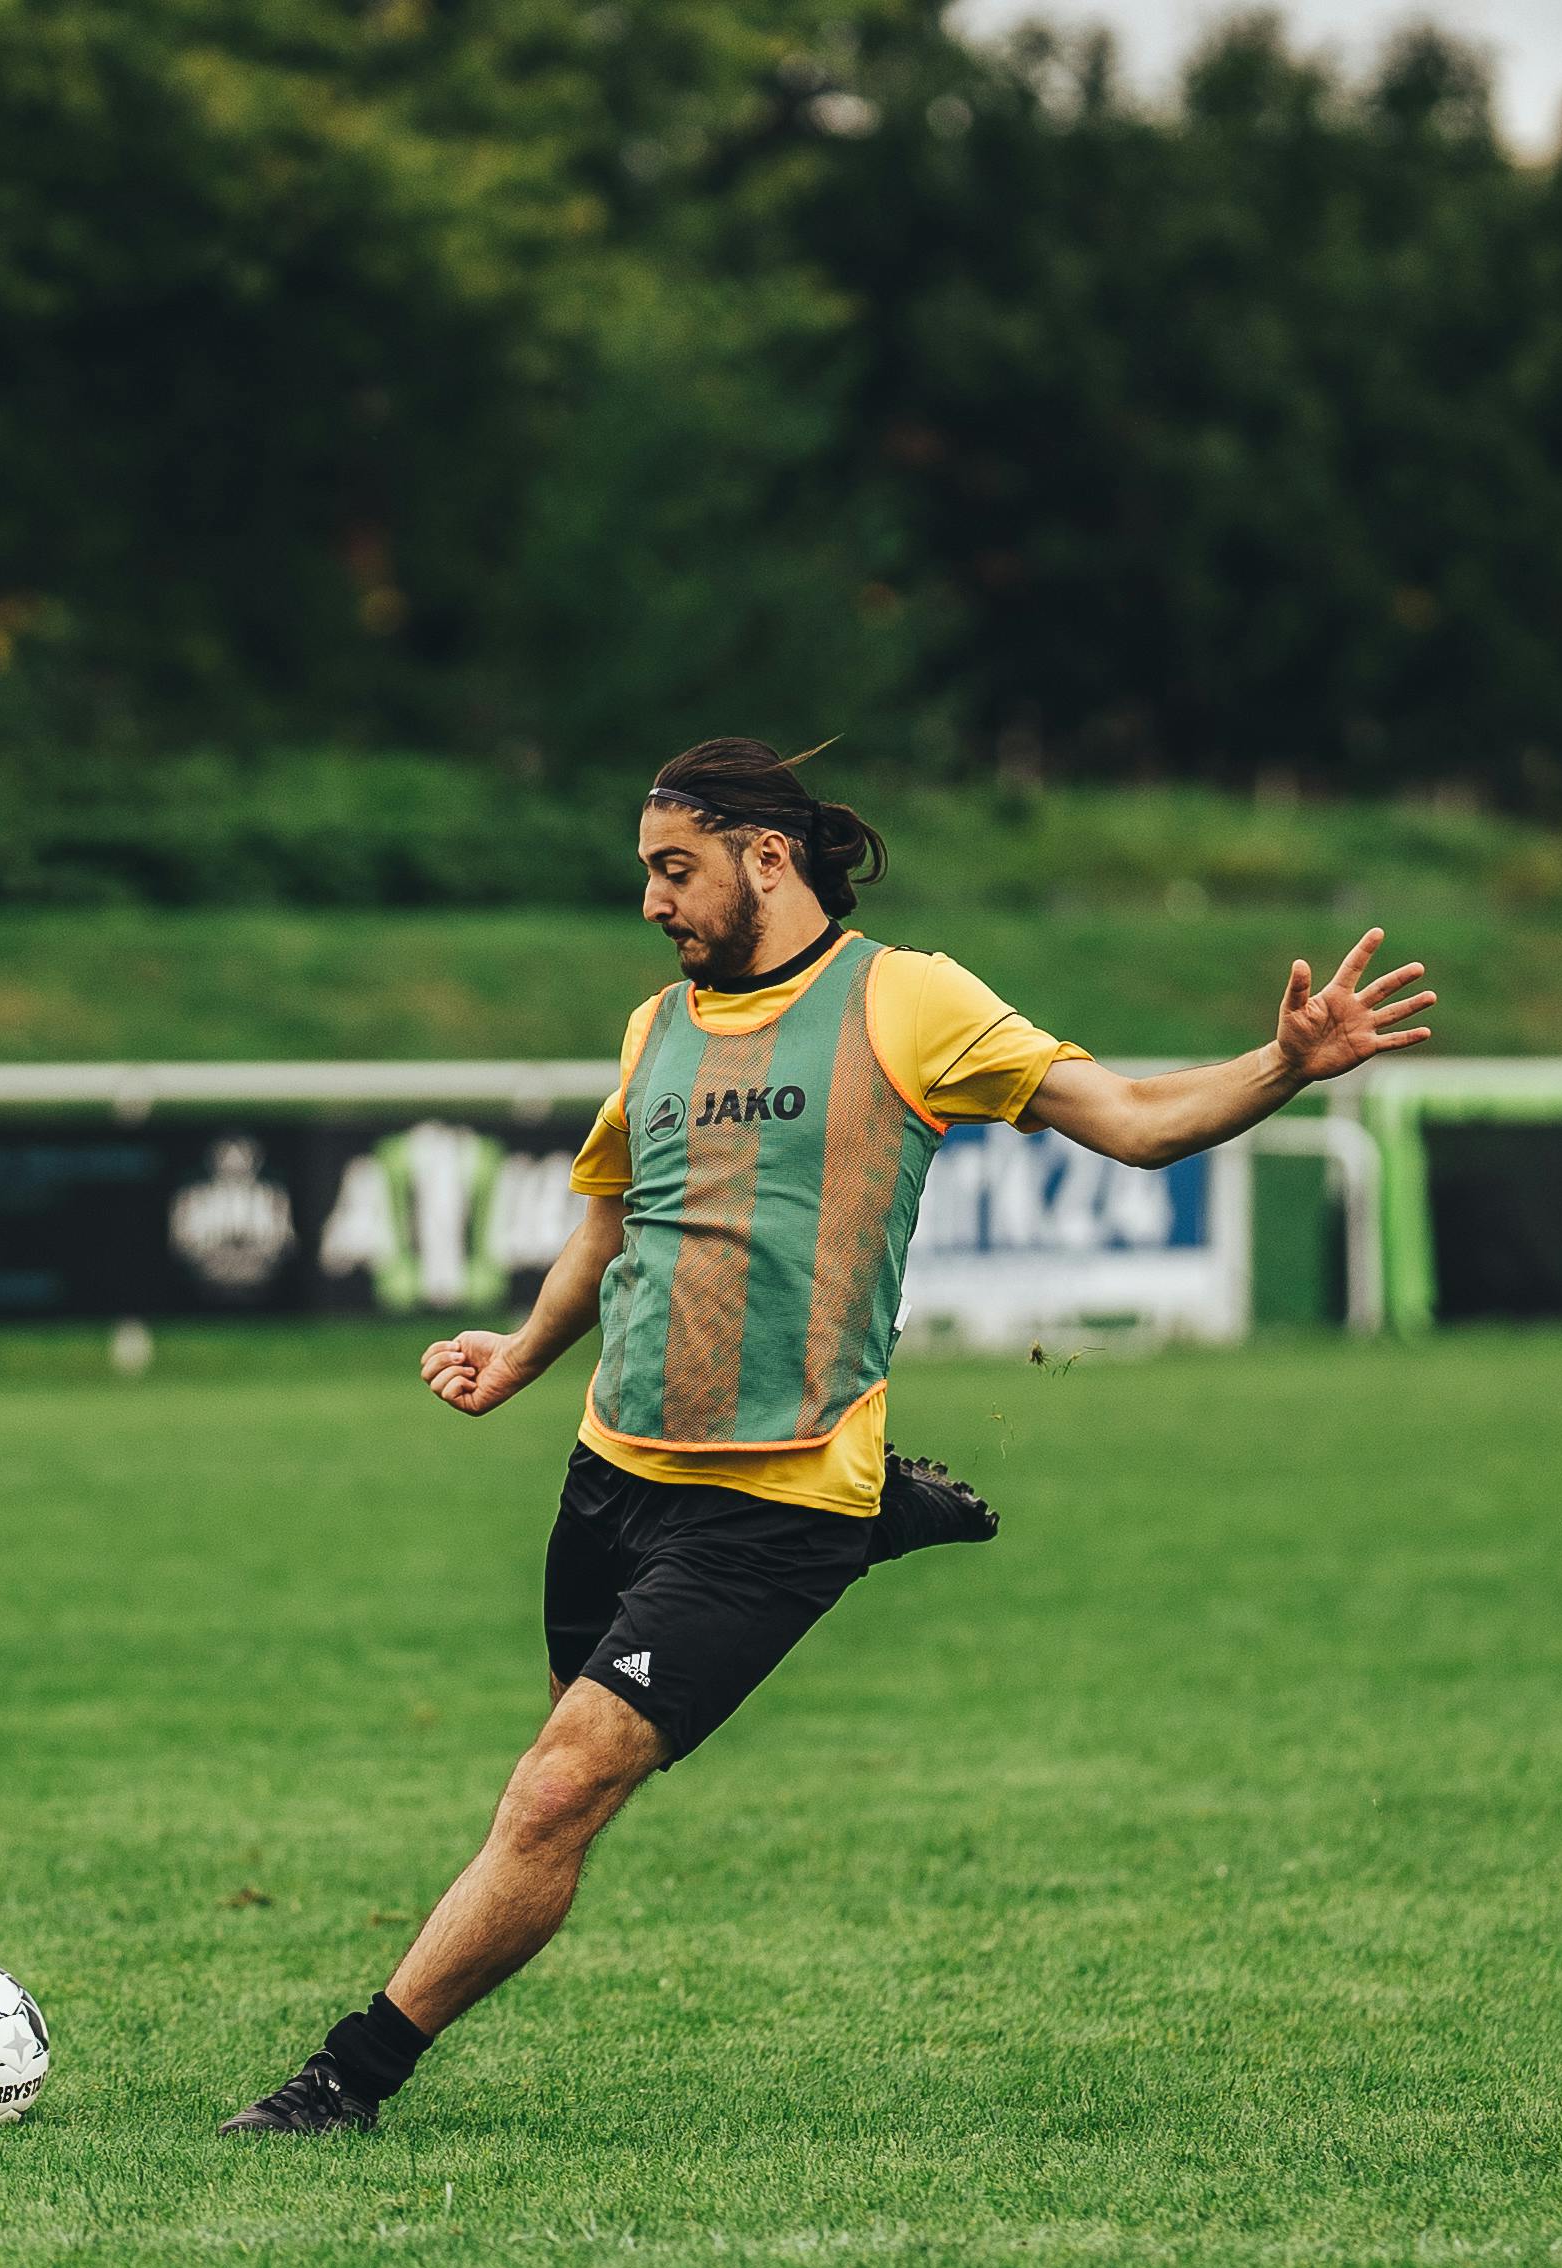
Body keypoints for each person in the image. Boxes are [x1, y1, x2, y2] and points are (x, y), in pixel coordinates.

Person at [221, 737, 1436, 2133]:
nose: (652, 902)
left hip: (767, 1508)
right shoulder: (657, 1026)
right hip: (612, 1474)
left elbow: (1136, 1120)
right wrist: (516, 1349)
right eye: (645, 873)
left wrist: (1281, 1066)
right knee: (556, 1769)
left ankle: (346, 2077)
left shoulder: (905, 1001)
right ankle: (875, 1515)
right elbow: (613, 1227)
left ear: (768, 856)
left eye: (674, 869)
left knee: (558, 1789)